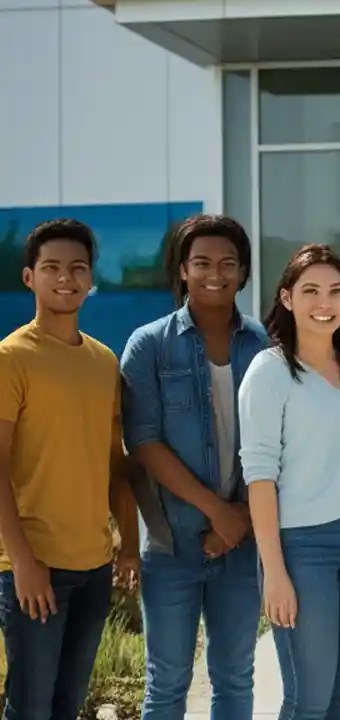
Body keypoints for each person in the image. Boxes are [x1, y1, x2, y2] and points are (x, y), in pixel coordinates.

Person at [239, 244, 340, 720]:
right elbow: (259, 476)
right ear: (287, 298)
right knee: (309, 698)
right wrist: (275, 574)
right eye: (310, 291)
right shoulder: (270, 372)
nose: (323, 302)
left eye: (335, 291)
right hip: (305, 547)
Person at [120, 214, 268, 720]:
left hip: (244, 545)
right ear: (183, 270)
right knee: (167, 685)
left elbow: (280, 441)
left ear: (243, 272)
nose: (215, 273)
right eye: (201, 262)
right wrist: (214, 513)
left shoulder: (266, 346)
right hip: (172, 544)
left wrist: (238, 521)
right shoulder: (149, 345)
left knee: (234, 679)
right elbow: (144, 442)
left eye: (228, 263)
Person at [0, 219, 141, 719]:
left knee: (68, 705)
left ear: (90, 279)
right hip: (36, 566)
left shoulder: (104, 361)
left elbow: (114, 463)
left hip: (94, 566)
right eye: (52, 267)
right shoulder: (11, 357)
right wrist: (23, 563)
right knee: (31, 708)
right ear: (29, 278)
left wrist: (128, 544)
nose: (66, 278)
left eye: (78, 268)